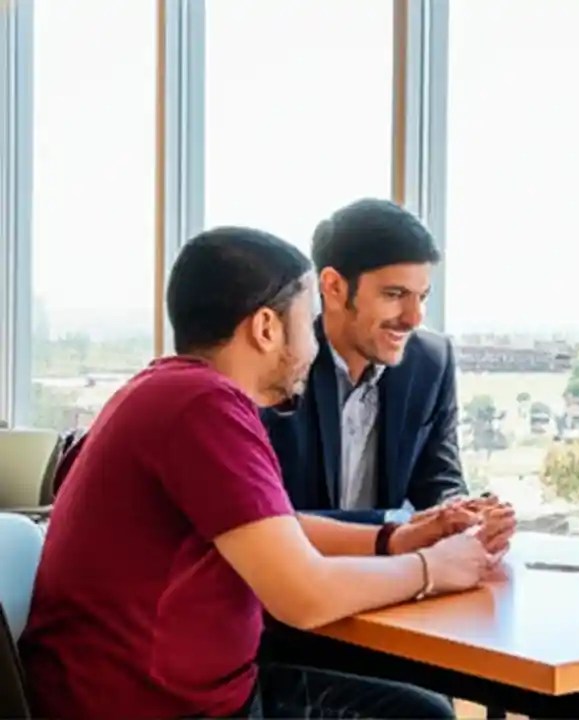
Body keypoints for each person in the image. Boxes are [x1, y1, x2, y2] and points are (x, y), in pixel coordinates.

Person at [20, 227, 512, 720]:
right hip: (153, 705)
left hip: (162, 689)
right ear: (265, 328)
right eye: (308, 322)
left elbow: (272, 531)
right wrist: (433, 568)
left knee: (417, 710)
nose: (316, 345)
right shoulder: (204, 407)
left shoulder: (169, 391)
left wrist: (395, 539)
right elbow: (304, 596)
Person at [260, 198, 472, 526]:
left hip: (389, 571)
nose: (413, 319)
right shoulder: (275, 366)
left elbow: (439, 477)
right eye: (394, 295)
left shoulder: (431, 362)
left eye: (422, 297)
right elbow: (266, 517)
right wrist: (393, 523)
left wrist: (461, 512)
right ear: (333, 287)